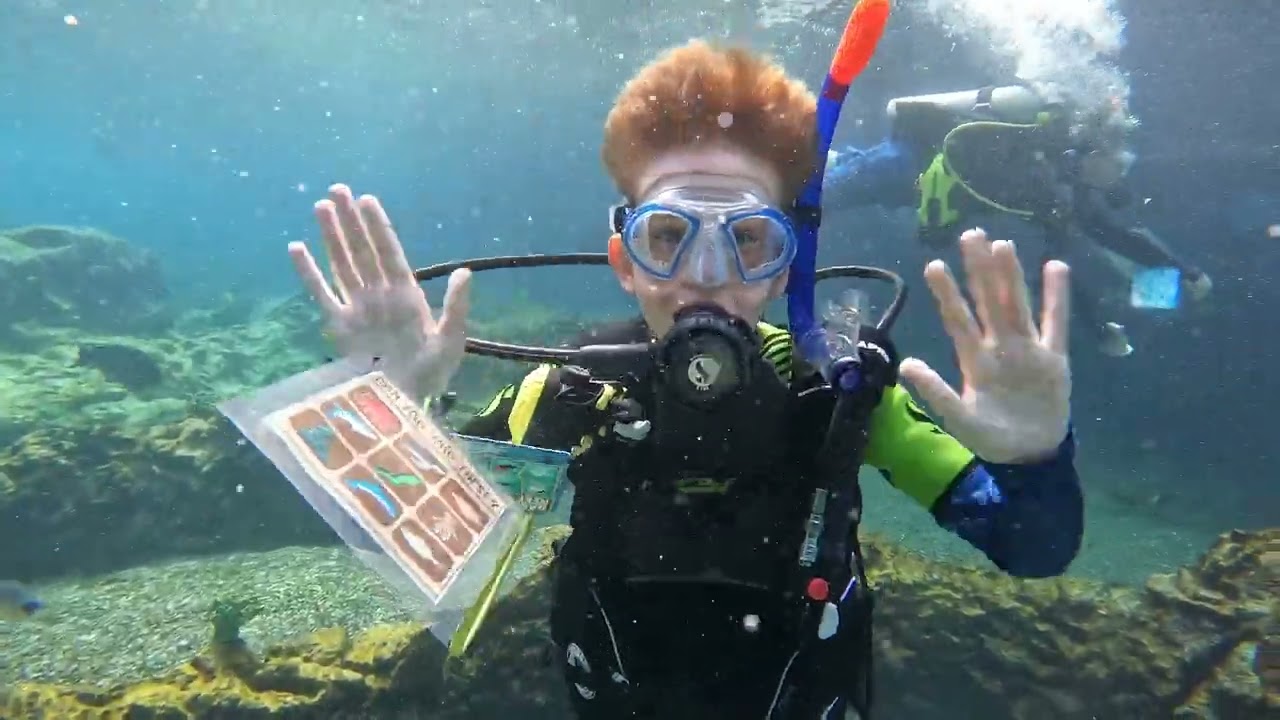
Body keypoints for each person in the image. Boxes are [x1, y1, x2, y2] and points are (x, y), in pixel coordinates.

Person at [288, 41, 1083, 719]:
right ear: (624, 261)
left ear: (785, 270)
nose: (705, 275)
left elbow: (1033, 547)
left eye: (749, 239)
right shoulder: (570, 393)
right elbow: (407, 544)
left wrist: (1034, 459)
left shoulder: (838, 395)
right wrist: (396, 403)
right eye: (667, 236)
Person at [825, 84, 1214, 357]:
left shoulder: (1063, 188)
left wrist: (1184, 271)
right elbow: (1071, 257)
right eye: (1118, 163)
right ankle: (821, 168)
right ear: (1094, 149)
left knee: (848, 183)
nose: (1119, 175)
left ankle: (839, 161)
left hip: (923, 188)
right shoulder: (1040, 149)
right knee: (818, 197)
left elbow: (1097, 244)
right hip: (906, 162)